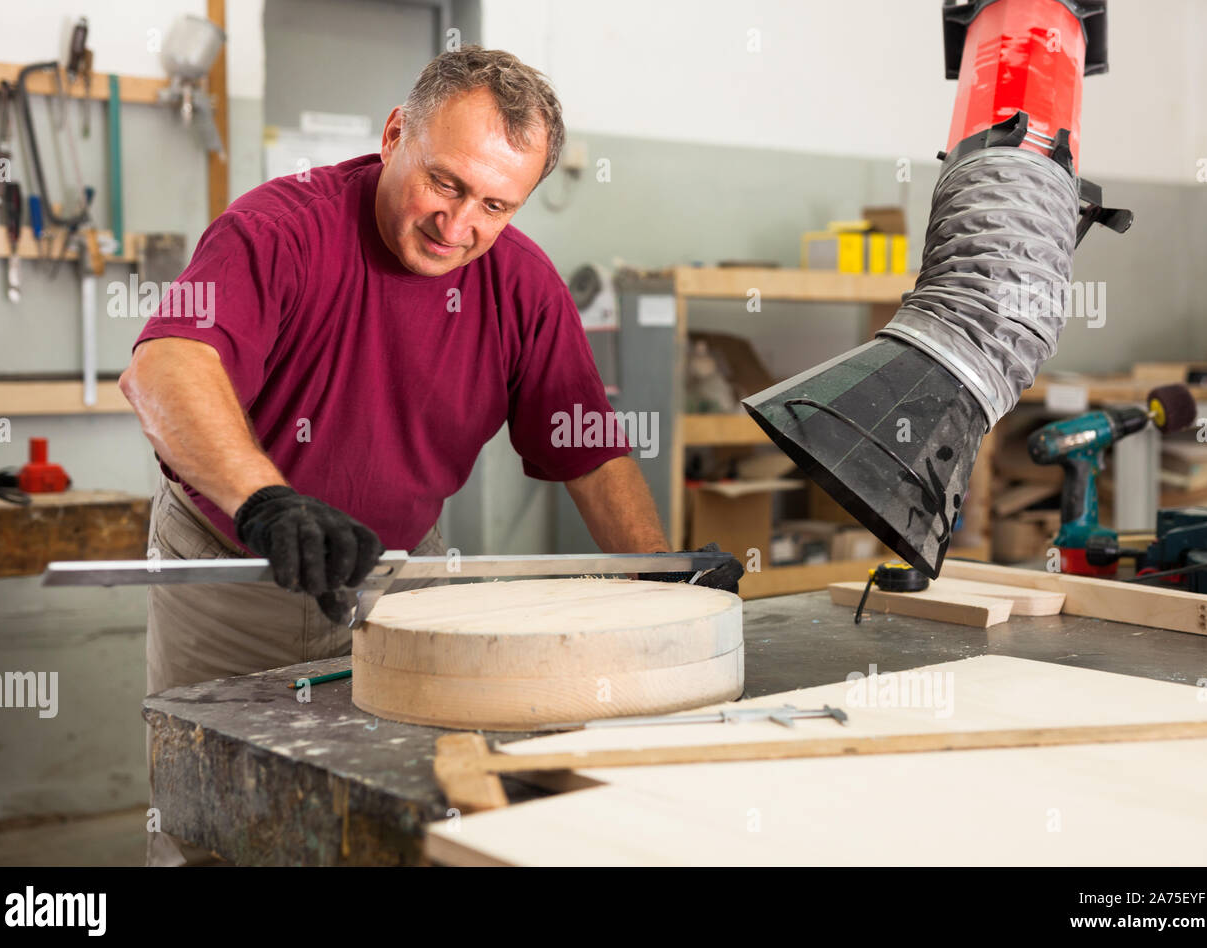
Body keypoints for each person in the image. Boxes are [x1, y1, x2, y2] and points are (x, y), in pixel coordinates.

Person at [122, 46, 742, 864]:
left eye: (495, 204)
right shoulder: (276, 230)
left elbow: (588, 452)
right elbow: (166, 365)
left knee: (405, 811)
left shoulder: (522, 285)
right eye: (444, 184)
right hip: (234, 572)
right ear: (392, 136)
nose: (459, 227)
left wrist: (663, 577)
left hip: (400, 582)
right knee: (215, 822)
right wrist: (266, 502)